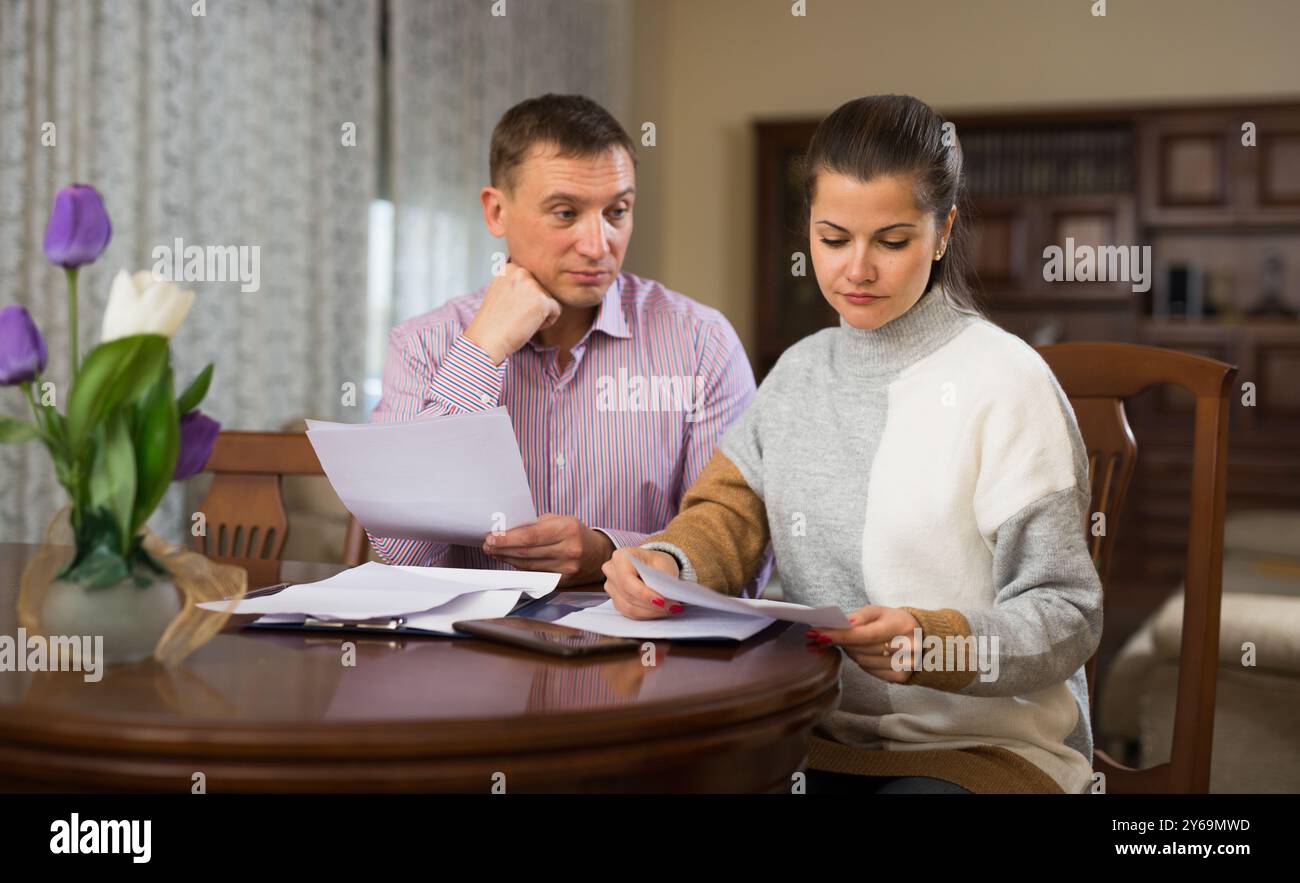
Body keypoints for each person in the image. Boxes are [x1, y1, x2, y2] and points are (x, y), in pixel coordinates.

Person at [601, 94, 1103, 794]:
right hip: (811, 737)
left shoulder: (1008, 381)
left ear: (944, 230)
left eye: (892, 241)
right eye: (833, 239)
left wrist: (929, 641)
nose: (857, 270)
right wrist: (666, 561)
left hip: (983, 752)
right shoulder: (801, 371)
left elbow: (1066, 618)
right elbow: (726, 516)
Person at [369, 93, 770, 593]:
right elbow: (400, 551)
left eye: (617, 211)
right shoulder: (423, 345)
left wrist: (609, 552)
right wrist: (481, 352)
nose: (598, 244)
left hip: (648, 656)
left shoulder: (702, 344)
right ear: (496, 212)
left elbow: (742, 557)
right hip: (467, 657)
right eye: (565, 213)